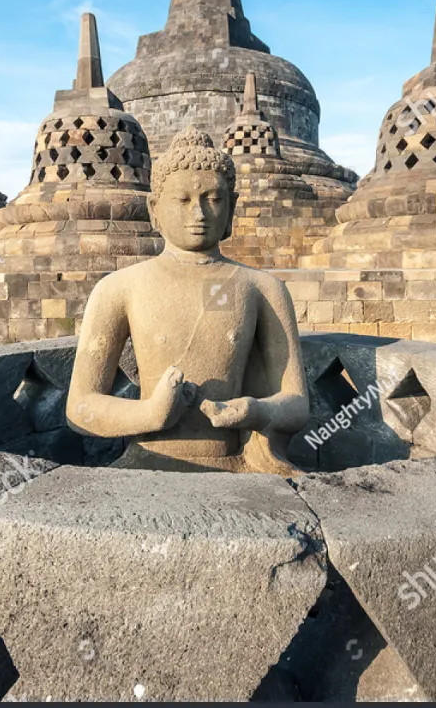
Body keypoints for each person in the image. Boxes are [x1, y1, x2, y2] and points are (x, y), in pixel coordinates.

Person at [66, 126, 310, 473]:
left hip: (237, 469)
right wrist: (150, 413)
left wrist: (255, 411)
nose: (199, 214)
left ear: (233, 206)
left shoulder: (261, 288)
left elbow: (297, 403)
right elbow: (80, 408)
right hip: (145, 465)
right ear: (154, 208)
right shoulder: (119, 288)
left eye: (213, 199)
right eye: (182, 200)